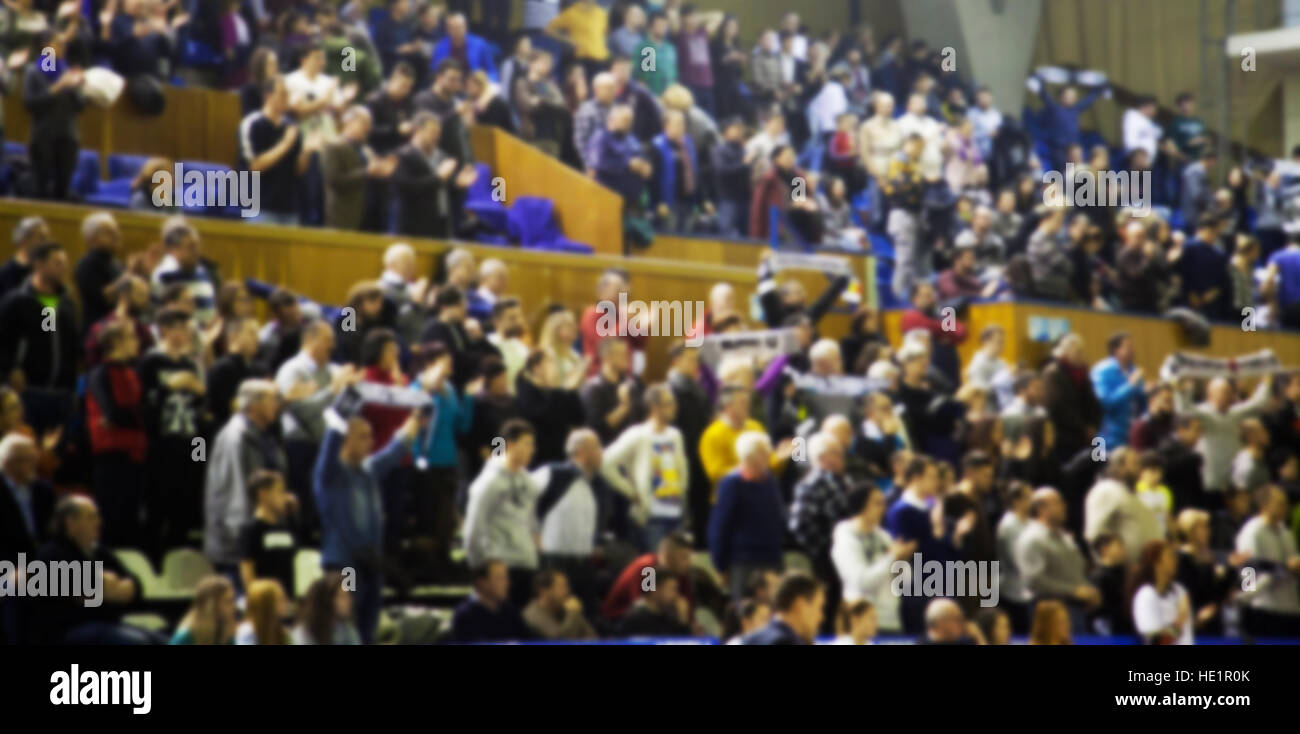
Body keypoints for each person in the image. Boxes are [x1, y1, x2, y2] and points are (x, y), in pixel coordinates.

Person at [315, 401, 424, 644]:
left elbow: (396, 449)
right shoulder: (330, 475)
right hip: (345, 566)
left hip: (371, 564)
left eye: (371, 436)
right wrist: (343, 408)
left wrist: (416, 417)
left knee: (368, 626)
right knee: (345, 620)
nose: (371, 442)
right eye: (363, 437)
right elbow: (331, 441)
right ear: (346, 440)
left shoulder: (369, 470)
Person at [205, 380, 286, 576]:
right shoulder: (235, 437)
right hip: (238, 549)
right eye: (271, 400)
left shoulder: (266, 436)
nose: (277, 405)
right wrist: (244, 540)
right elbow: (233, 492)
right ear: (253, 405)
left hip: (261, 540)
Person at [463, 418, 543, 610]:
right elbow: (474, 525)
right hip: (501, 566)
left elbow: (532, 521)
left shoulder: (528, 482)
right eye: (527, 444)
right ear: (512, 445)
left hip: (526, 562)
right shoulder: (489, 482)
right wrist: (479, 567)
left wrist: (537, 551)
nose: (532, 450)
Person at [0, 242, 80, 432]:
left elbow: (68, 345)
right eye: (57, 263)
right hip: (27, 393)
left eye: (65, 263)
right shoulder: (17, 301)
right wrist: (10, 369)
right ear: (39, 264)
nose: (64, 268)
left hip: (60, 394)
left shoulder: (65, 304)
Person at [603, 383, 689, 550]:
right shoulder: (638, 434)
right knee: (652, 562)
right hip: (652, 515)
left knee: (672, 564)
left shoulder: (676, 435)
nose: (674, 407)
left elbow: (681, 471)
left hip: (675, 512)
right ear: (654, 408)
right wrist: (630, 491)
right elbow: (606, 462)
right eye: (669, 403)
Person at [709, 431, 787, 601]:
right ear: (749, 457)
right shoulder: (732, 483)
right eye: (764, 452)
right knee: (746, 608)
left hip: (772, 558)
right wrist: (720, 566)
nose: (769, 455)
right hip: (744, 561)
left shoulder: (769, 481)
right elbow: (720, 527)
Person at [831, 484, 915, 635]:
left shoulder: (884, 536)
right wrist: (892, 557)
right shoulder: (845, 538)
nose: (883, 509)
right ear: (861, 506)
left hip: (891, 619)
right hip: (860, 621)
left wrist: (902, 562)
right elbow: (861, 582)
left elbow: (905, 582)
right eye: (877, 503)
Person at [1016, 487, 1101, 631]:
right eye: (1058, 502)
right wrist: (1073, 591)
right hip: (1050, 614)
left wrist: (1089, 591)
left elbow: (1076, 568)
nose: (1064, 506)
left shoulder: (1063, 536)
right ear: (1041, 508)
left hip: (1075, 610)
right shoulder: (1032, 539)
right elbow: (1035, 581)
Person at [1174, 374, 1272, 496]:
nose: (1226, 396)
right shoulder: (1203, 413)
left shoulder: (1236, 412)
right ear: (1210, 394)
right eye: (1222, 393)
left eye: (1228, 392)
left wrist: (1266, 383)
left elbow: (1259, 404)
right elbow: (1184, 410)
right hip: (1210, 475)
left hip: (1234, 476)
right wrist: (1182, 390)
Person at [1234, 484, 1300, 636]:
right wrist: (1248, 597)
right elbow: (1247, 569)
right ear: (1265, 505)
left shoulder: (1286, 533)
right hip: (1264, 609)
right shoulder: (1252, 532)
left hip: (1290, 608)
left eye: (1286, 503)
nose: (1285, 508)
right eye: (1280, 503)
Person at [1084, 448, 1162, 565]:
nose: (1140, 469)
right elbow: (1095, 533)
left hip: (1145, 567)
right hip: (1122, 569)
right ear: (1119, 468)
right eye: (1135, 463)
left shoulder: (1133, 494)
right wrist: (1111, 565)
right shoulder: (1106, 489)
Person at [602, 531, 695, 621]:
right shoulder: (649, 569)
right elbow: (645, 608)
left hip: (650, 619)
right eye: (684, 557)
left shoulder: (679, 572)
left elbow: (688, 605)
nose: (688, 563)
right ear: (667, 556)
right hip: (619, 618)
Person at [238, 470, 298, 596]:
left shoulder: (286, 527)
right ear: (263, 494)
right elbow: (247, 571)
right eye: (280, 491)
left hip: (287, 599)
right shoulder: (251, 529)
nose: (286, 497)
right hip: (265, 600)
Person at [449, 559, 532, 643]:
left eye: (506, 578)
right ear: (482, 583)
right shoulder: (465, 615)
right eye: (500, 578)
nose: (507, 583)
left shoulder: (509, 610)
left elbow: (527, 640)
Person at [1130, 539, 1194, 645]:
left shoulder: (1179, 590)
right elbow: (1157, 642)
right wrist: (1180, 619)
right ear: (1157, 563)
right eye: (1170, 556)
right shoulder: (1146, 595)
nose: (1175, 560)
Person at [1090, 332, 1146, 450]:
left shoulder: (1133, 370)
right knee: (1099, 461)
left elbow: (1139, 405)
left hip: (1130, 436)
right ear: (1116, 350)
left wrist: (1146, 393)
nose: (1133, 350)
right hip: (1106, 438)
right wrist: (1130, 386)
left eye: (1132, 346)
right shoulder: (1102, 371)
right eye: (1128, 346)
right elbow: (1105, 403)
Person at [741, 572, 824, 645]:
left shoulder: (750, 639)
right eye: (819, 608)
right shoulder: (784, 641)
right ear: (799, 605)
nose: (821, 617)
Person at [521, 568, 597, 640]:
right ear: (543, 591)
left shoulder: (564, 609)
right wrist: (573, 614)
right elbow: (559, 640)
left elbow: (592, 637)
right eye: (561, 587)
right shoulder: (532, 614)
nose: (567, 591)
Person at [293, 573, 362, 645]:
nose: (349, 601)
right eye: (342, 596)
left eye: (348, 595)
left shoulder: (345, 627)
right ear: (326, 601)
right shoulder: (305, 632)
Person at [618, 573, 694, 637]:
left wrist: (683, 619)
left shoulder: (667, 615)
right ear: (655, 590)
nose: (676, 595)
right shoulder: (637, 618)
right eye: (672, 589)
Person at [170, 576, 238, 645]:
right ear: (211, 606)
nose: (234, 607)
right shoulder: (185, 637)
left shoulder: (227, 632)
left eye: (233, 600)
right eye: (228, 602)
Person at [235, 579, 291, 645]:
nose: (286, 602)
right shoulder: (247, 632)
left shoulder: (280, 631)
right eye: (281, 599)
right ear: (267, 604)